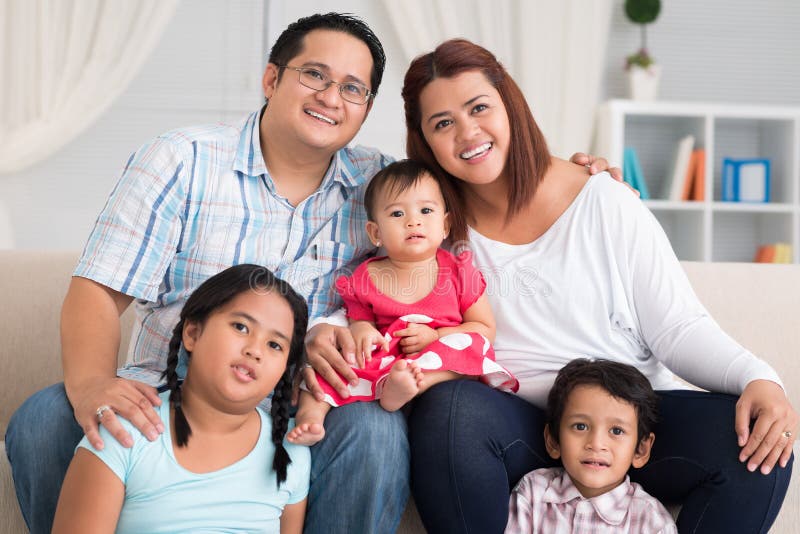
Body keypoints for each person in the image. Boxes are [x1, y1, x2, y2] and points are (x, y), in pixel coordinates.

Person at [5, 12, 616, 534]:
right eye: (314, 75)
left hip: (308, 401)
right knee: (41, 419)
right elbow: (96, 290)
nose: (332, 97)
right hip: (175, 391)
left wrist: (576, 173)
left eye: (353, 89)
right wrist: (88, 384)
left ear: (367, 108)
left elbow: (474, 173)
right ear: (272, 79)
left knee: (375, 432)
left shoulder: (379, 183)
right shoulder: (181, 159)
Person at [386, 38, 796, 533]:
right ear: (425, 141)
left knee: (757, 442)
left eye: (479, 108)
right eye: (443, 123)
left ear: (509, 104)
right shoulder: (429, 232)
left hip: (629, 423)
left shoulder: (603, 199)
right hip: (523, 427)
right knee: (449, 412)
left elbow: (678, 327)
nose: (468, 133)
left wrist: (759, 377)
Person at [52, 264, 310, 533]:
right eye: (241, 327)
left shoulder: (291, 452)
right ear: (192, 333)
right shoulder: (124, 433)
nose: (255, 350)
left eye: (275, 345)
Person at [288, 159, 517, 446]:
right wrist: (363, 331)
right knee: (334, 361)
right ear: (376, 233)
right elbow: (359, 318)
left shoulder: (459, 271)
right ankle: (311, 417)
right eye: (397, 213)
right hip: (389, 358)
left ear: (445, 224)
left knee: (471, 346)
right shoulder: (365, 274)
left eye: (426, 210)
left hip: (439, 360)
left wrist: (437, 335)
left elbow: (485, 328)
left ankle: (415, 384)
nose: (413, 221)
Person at [505, 358, 676, 533]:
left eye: (616, 431)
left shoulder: (652, 522)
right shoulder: (533, 492)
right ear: (553, 441)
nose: (596, 444)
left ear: (641, 450)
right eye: (580, 426)